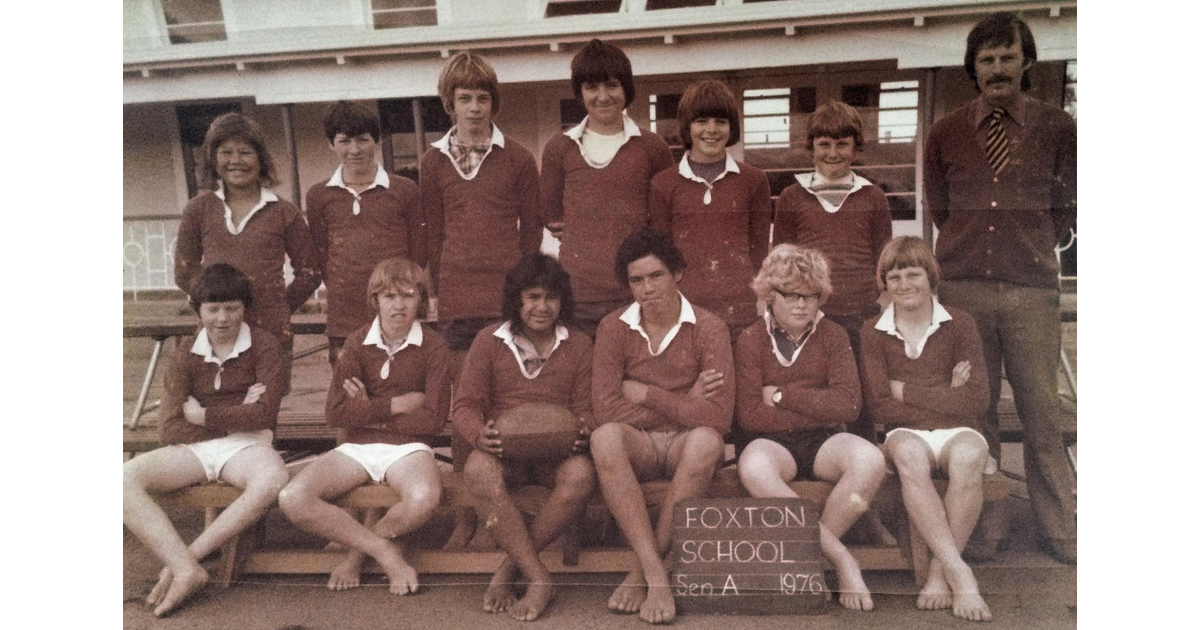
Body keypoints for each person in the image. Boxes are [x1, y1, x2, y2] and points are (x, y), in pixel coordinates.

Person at [923, 11, 1077, 564]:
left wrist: (1025, 245)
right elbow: (940, 207)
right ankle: (987, 524)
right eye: (985, 59)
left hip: (1030, 290)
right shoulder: (945, 132)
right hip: (963, 290)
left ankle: (1060, 529)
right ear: (973, 68)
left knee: (1042, 413)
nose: (996, 68)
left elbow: (1067, 205)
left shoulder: (1058, 127)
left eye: (1007, 57)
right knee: (976, 412)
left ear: (1026, 61)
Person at [124, 263, 289, 617]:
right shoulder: (186, 351)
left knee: (273, 477)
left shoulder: (265, 346)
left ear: (245, 308)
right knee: (122, 478)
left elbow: (264, 415)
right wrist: (237, 412)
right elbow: (169, 428)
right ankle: (186, 570)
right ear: (198, 310)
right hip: (194, 448)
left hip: (247, 446)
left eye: (232, 308)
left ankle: (188, 559)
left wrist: (204, 415)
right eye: (213, 309)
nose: (223, 318)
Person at [277, 258, 449, 595]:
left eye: (408, 295)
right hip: (357, 447)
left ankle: (356, 555)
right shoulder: (357, 343)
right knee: (293, 497)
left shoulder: (434, 346)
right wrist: (394, 405)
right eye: (389, 296)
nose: (398, 305)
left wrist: (366, 408)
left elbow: (433, 418)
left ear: (421, 300)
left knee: (424, 497)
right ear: (375, 299)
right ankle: (385, 551)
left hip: (409, 449)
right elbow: (335, 412)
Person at [590, 228, 734, 625]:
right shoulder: (613, 327)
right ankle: (656, 570)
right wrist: (687, 401)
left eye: (656, 276)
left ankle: (642, 573)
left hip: (684, 445)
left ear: (678, 274)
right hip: (639, 443)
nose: (647, 288)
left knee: (707, 441)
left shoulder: (709, 327)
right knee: (605, 437)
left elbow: (719, 417)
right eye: (637, 280)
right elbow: (605, 408)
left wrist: (648, 394)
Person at [734, 244, 886, 612]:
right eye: (791, 295)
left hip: (825, 440)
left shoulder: (833, 334)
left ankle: (807, 562)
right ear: (770, 294)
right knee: (754, 467)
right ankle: (842, 559)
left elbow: (848, 406)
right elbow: (751, 415)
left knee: (870, 460)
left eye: (811, 295)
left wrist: (782, 395)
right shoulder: (751, 338)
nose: (802, 304)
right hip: (771, 443)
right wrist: (818, 404)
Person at [453, 253, 595, 621]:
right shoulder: (489, 340)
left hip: (558, 452)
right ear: (516, 300)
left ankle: (509, 570)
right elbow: (465, 406)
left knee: (581, 475)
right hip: (504, 450)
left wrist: (583, 430)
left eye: (551, 297)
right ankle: (539, 578)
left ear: (562, 301)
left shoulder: (579, 344)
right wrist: (479, 435)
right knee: (478, 470)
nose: (542, 307)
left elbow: (587, 408)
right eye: (533, 297)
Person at [859, 237, 993, 622]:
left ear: (930, 275)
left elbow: (977, 401)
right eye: (894, 277)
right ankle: (960, 573)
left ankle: (938, 573)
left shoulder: (960, 323)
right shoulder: (873, 330)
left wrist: (907, 391)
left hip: (958, 430)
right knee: (909, 456)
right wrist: (947, 391)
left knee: (969, 457)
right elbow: (879, 405)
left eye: (913, 274)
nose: (904, 284)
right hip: (905, 433)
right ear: (885, 283)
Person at [773, 100, 892, 441]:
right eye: (824, 144)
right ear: (811, 147)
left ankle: (865, 461)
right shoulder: (792, 196)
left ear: (857, 147)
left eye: (842, 144)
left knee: (859, 400)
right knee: (814, 397)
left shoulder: (873, 196)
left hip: (859, 316)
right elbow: (782, 261)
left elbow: (884, 260)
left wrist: (878, 305)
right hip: (809, 317)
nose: (833, 153)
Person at [540, 39, 675, 335]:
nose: (603, 97)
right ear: (580, 92)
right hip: (578, 296)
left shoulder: (652, 147)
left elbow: (664, 222)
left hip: (636, 295)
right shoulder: (560, 147)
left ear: (626, 88)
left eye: (612, 85)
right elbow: (551, 215)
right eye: (592, 87)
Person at [174, 112, 321, 383]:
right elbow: (185, 271)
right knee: (217, 401)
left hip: (270, 335)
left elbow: (310, 272)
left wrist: (278, 307)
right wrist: (215, 305)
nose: (236, 161)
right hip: (216, 334)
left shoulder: (283, 211)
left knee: (263, 404)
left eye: (245, 152)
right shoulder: (199, 209)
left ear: (261, 158)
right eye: (226, 152)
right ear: (213, 159)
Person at [421, 51, 542, 358]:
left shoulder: (519, 158)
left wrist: (521, 287)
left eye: (482, 99)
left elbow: (531, 231)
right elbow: (434, 234)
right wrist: (440, 291)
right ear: (450, 103)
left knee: (507, 380)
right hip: (456, 302)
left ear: (493, 103)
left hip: (505, 298)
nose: (474, 108)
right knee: (462, 381)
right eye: (464, 99)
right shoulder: (432, 162)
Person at [649, 79, 771, 338]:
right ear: (687, 127)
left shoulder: (754, 180)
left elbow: (759, 251)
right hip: (685, 313)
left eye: (721, 121)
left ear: (732, 127)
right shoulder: (663, 184)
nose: (712, 130)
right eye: (701, 121)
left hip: (740, 312)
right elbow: (662, 255)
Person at [306, 100, 424, 366]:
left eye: (363, 140)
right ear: (331, 144)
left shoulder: (405, 190)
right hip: (344, 318)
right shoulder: (318, 196)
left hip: (396, 314)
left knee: (399, 383)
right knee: (348, 387)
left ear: (378, 141)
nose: (355, 150)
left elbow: (418, 253)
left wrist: (398, 294)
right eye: (344, 141)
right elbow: (321, 254)